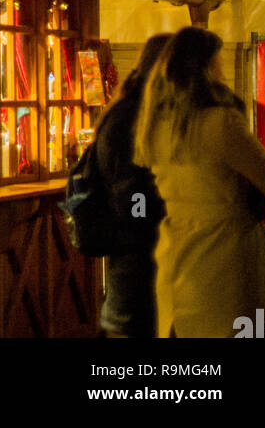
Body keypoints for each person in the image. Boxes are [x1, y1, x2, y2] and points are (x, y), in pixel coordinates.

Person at [134, 26, 265, 338]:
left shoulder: (154, 125)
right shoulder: (220, 123)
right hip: (226, 254)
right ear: (206, 66)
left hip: (178, 252)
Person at [95, 33, 170, 338]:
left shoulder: (122, 108)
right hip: (139, 245)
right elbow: (132, 188)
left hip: (127, 245)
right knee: (134, 323)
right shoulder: (138, 115)